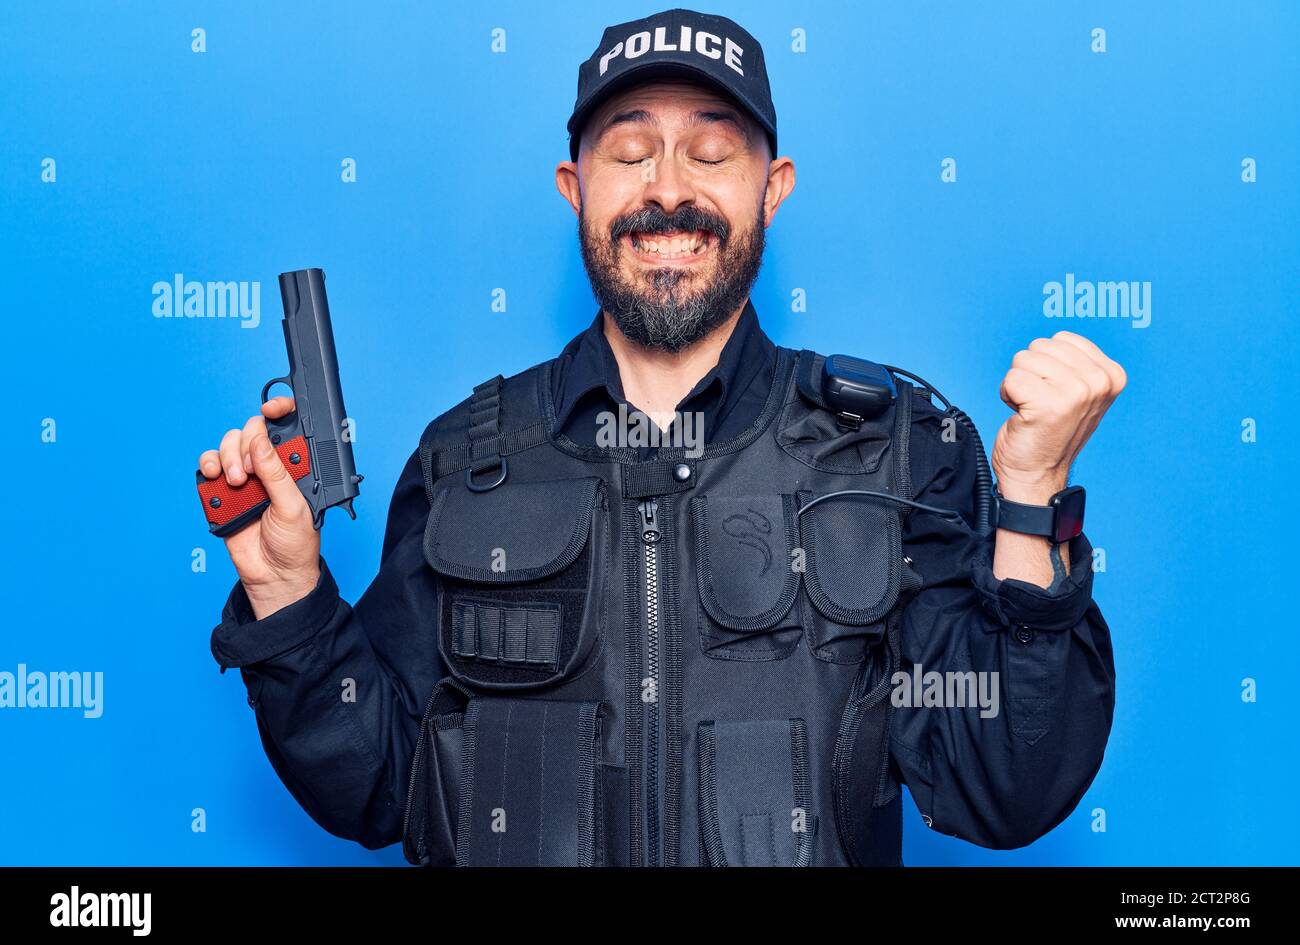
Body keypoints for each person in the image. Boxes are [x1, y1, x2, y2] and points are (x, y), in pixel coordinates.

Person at [198, 9, 1125, 866]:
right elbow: (377, 787)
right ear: (576, 188)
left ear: (774, 189)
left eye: (713, 153)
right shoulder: (463, 461)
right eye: (631, 151)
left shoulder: (894, 451)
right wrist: (288, 595)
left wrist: (1031, 496)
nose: (668, 190)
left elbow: (1008, 783)